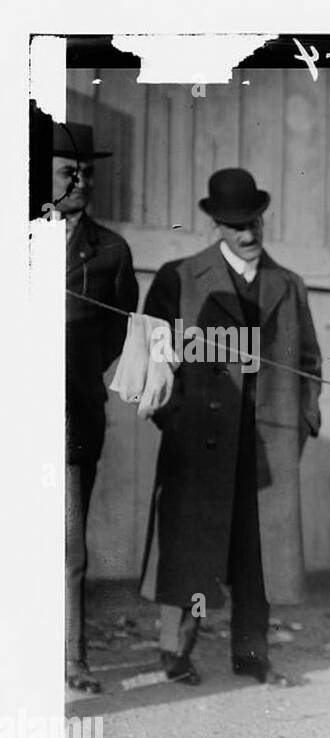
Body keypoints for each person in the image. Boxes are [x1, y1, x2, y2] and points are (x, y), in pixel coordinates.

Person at [140, 168, 322, 686]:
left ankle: (252, 655)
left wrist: (302, 423)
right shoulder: (178, 278)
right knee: (189, 543)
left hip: (267, 445)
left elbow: (310, 362)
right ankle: (175, 652)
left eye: (254, 222)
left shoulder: (288, 285)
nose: (247, 234)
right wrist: (172, 419)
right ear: (216, 224)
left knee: (257, 551)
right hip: (198, 442)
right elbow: (155, 359)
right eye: (234, 224)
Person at [57, 122, 139, 692]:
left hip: (71, 415)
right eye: (69, 170)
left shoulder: (109, 250)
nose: (81, 179)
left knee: (68, 544)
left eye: (87, 171)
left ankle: (72, 658)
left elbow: (118, 331)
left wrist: (78, 372)